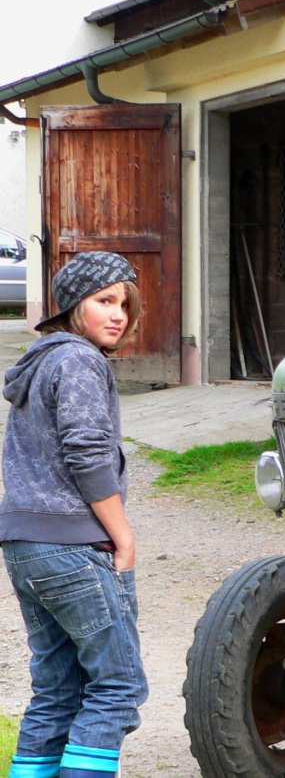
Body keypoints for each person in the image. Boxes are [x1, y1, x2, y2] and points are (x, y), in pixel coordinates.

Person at [2, 252, 148, 778]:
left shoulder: (40, 361)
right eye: (105, 301)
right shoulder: (79, 361)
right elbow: (86, 454)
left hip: (23, 545)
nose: (118, 315)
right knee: (117, 685)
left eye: (125, 305)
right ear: (72, 305)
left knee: (58, 690)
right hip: (71, 548)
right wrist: (123, 535)